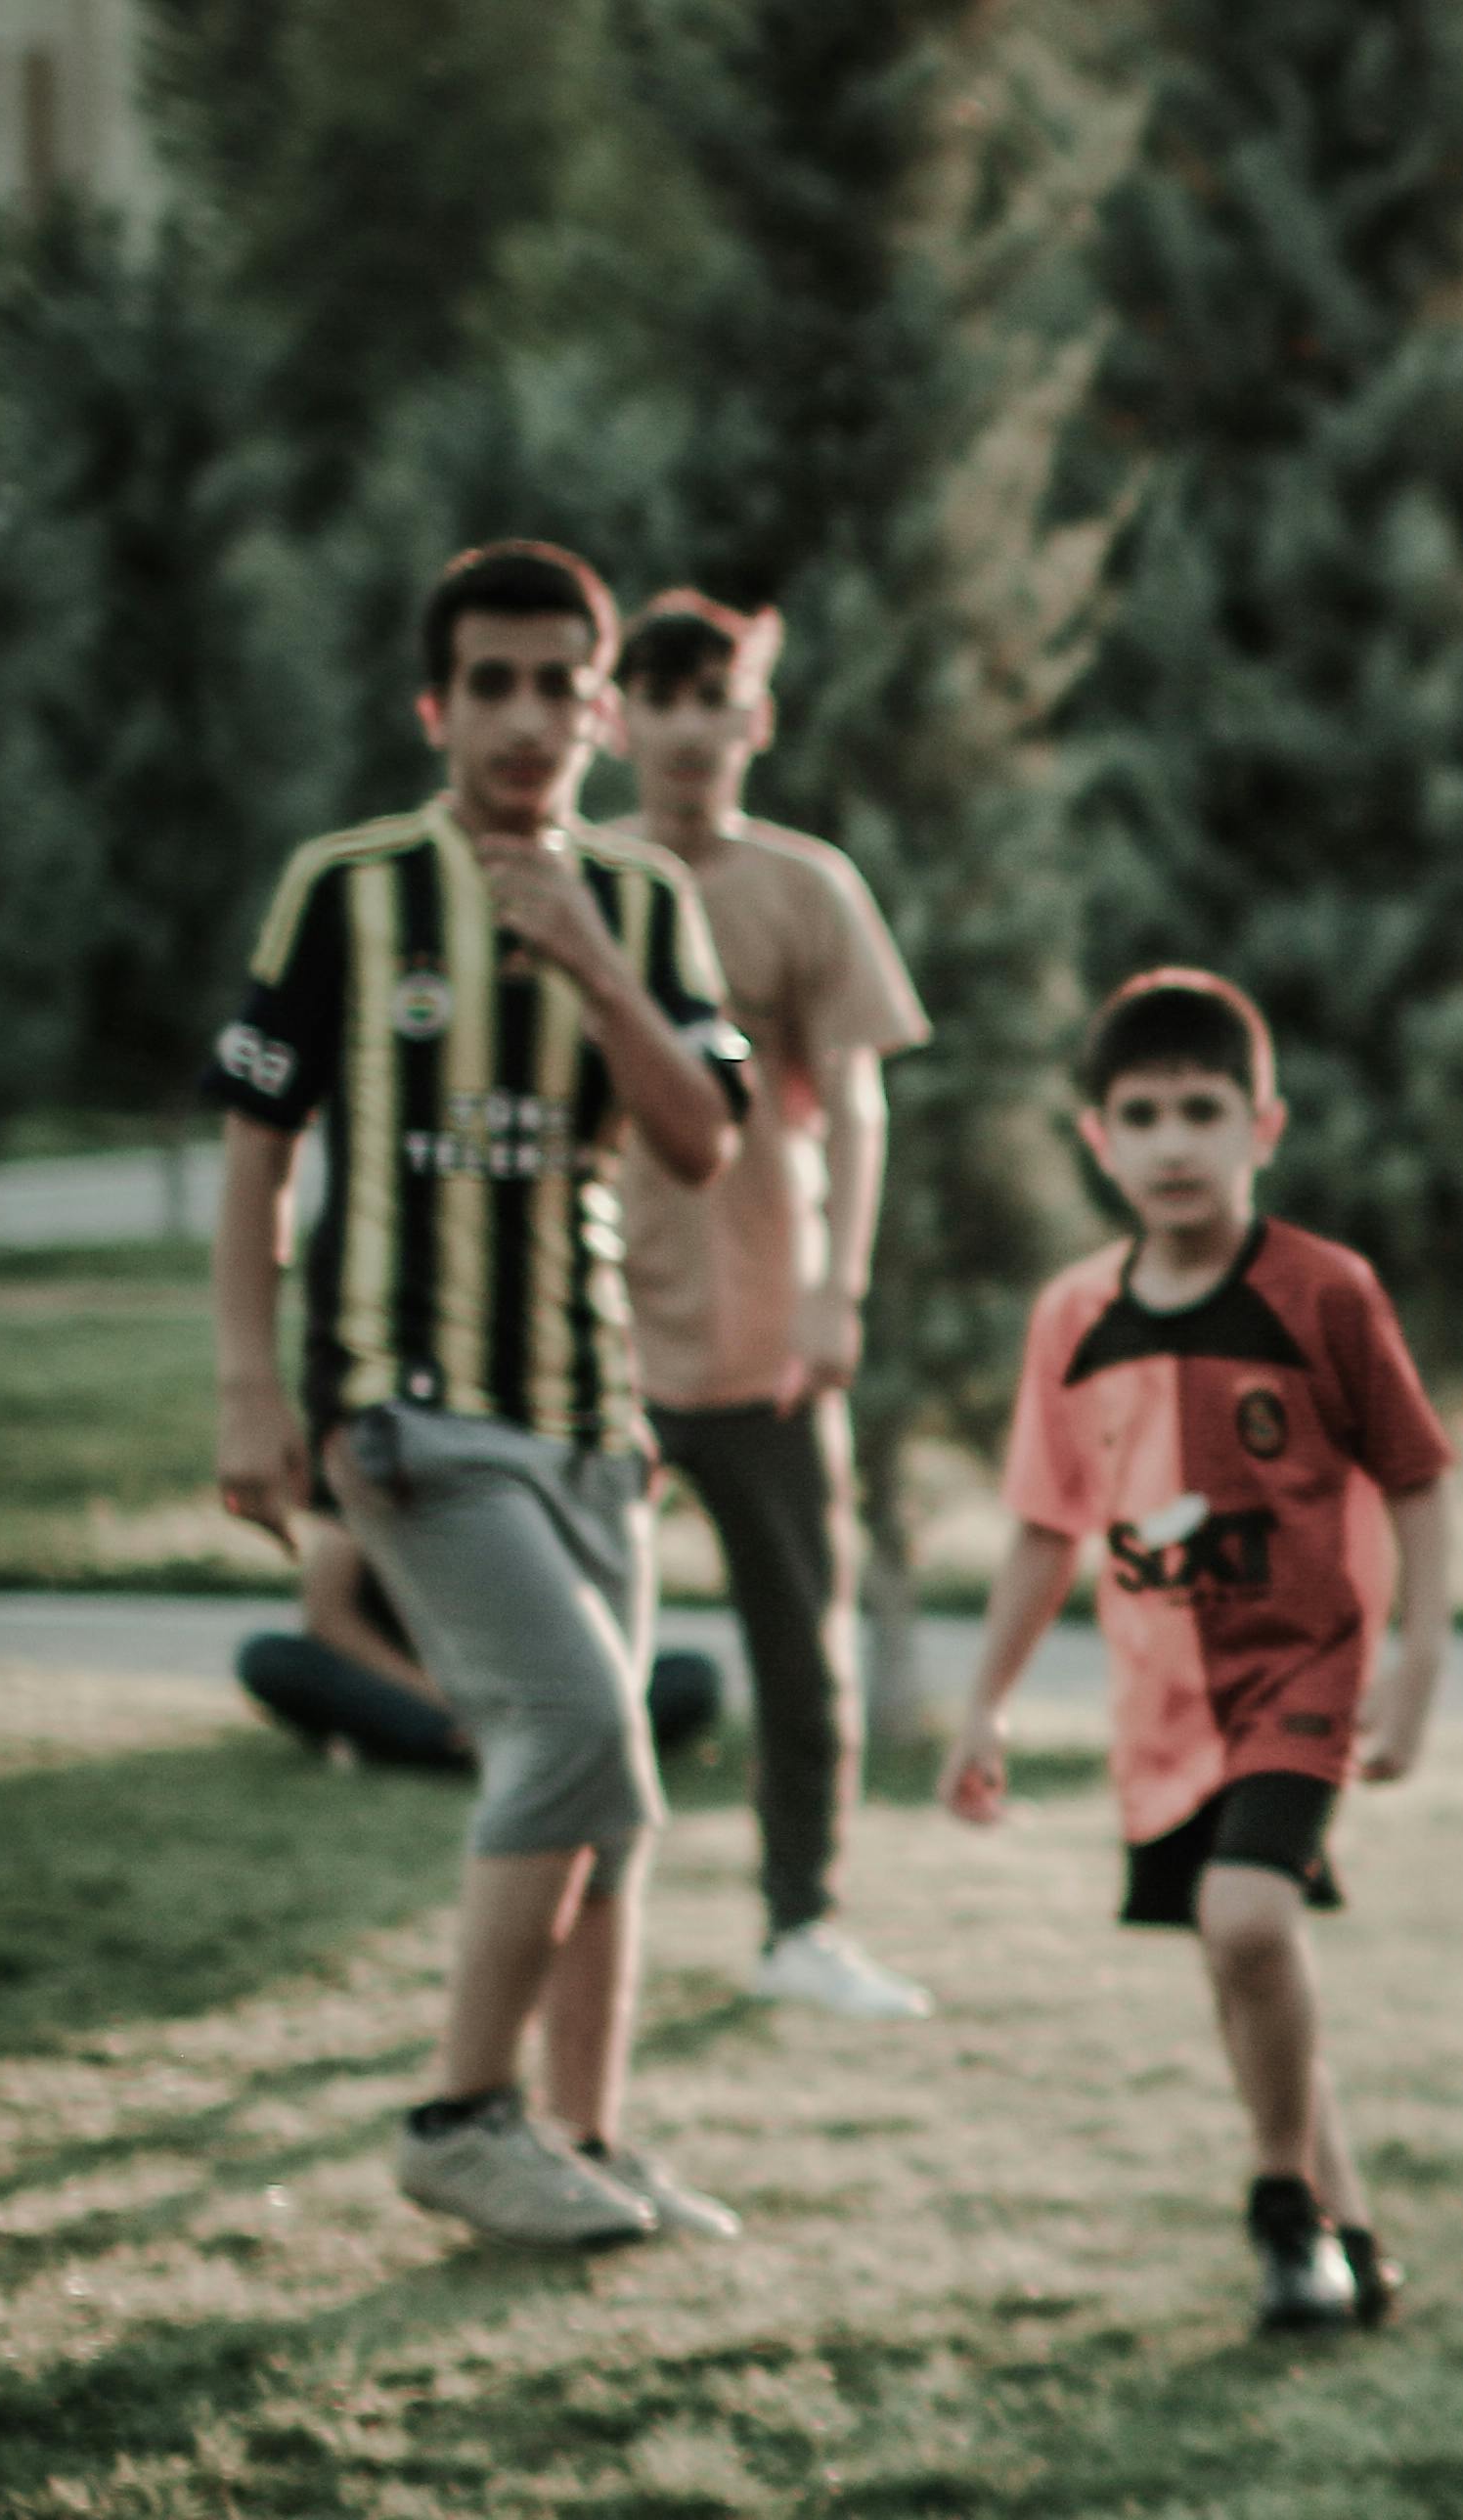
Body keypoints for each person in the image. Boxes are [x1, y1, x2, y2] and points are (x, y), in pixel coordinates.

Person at [206, 539, 754, 2255]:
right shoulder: (347, 887)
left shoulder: (649, 902)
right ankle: (459, 2115)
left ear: (603, 708)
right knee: (581, 1735)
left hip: (592, 1414)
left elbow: (701, 1138)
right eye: (489, 685)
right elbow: (254, 1156)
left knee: (620, 1799)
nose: (523, 719)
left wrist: (591, 957)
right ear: (437, 704)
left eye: (555, 686)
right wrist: (247, 1384)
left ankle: (586, 2132)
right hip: (407, 1399)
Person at [942, 971, 1456, 2333]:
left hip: (1300, 1673)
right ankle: (1348, 2236)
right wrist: (983, 1705)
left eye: (1204, 1112)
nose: (1175, 1142)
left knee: (1247, 1920)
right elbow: (1046, 1527)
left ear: (1262, 1126)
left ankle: (1279, 2212)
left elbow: (1416, 1479)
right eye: (1142, 1115)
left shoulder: (1323, 1292)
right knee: (1243, 1962)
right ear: (1096, 1138)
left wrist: (1418, 1665)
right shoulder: (1073, 1315)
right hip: (1160, 1701)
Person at [600, 591, 943, 2020]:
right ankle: (571, 1916)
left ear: (758, 717)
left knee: (801, 1639)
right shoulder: (570, 884)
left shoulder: (806, 889)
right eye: (659, 695)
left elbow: (855, 1106)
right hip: (596, 1338)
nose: (688, 725)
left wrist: (833, 1290)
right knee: (581, 1654)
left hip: (763, 1333)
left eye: (714, 695)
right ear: (616, 718)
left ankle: (801, 1922)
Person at [241, 1516, 720, 1773]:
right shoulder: (366, 1463)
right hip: (408, 1690)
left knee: (690, 1678)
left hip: (529, 1693)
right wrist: (444, 1698)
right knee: (270, 1659)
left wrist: (518, 1702)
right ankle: (513, 1751)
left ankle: (475, 1749)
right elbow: (328, 1618)